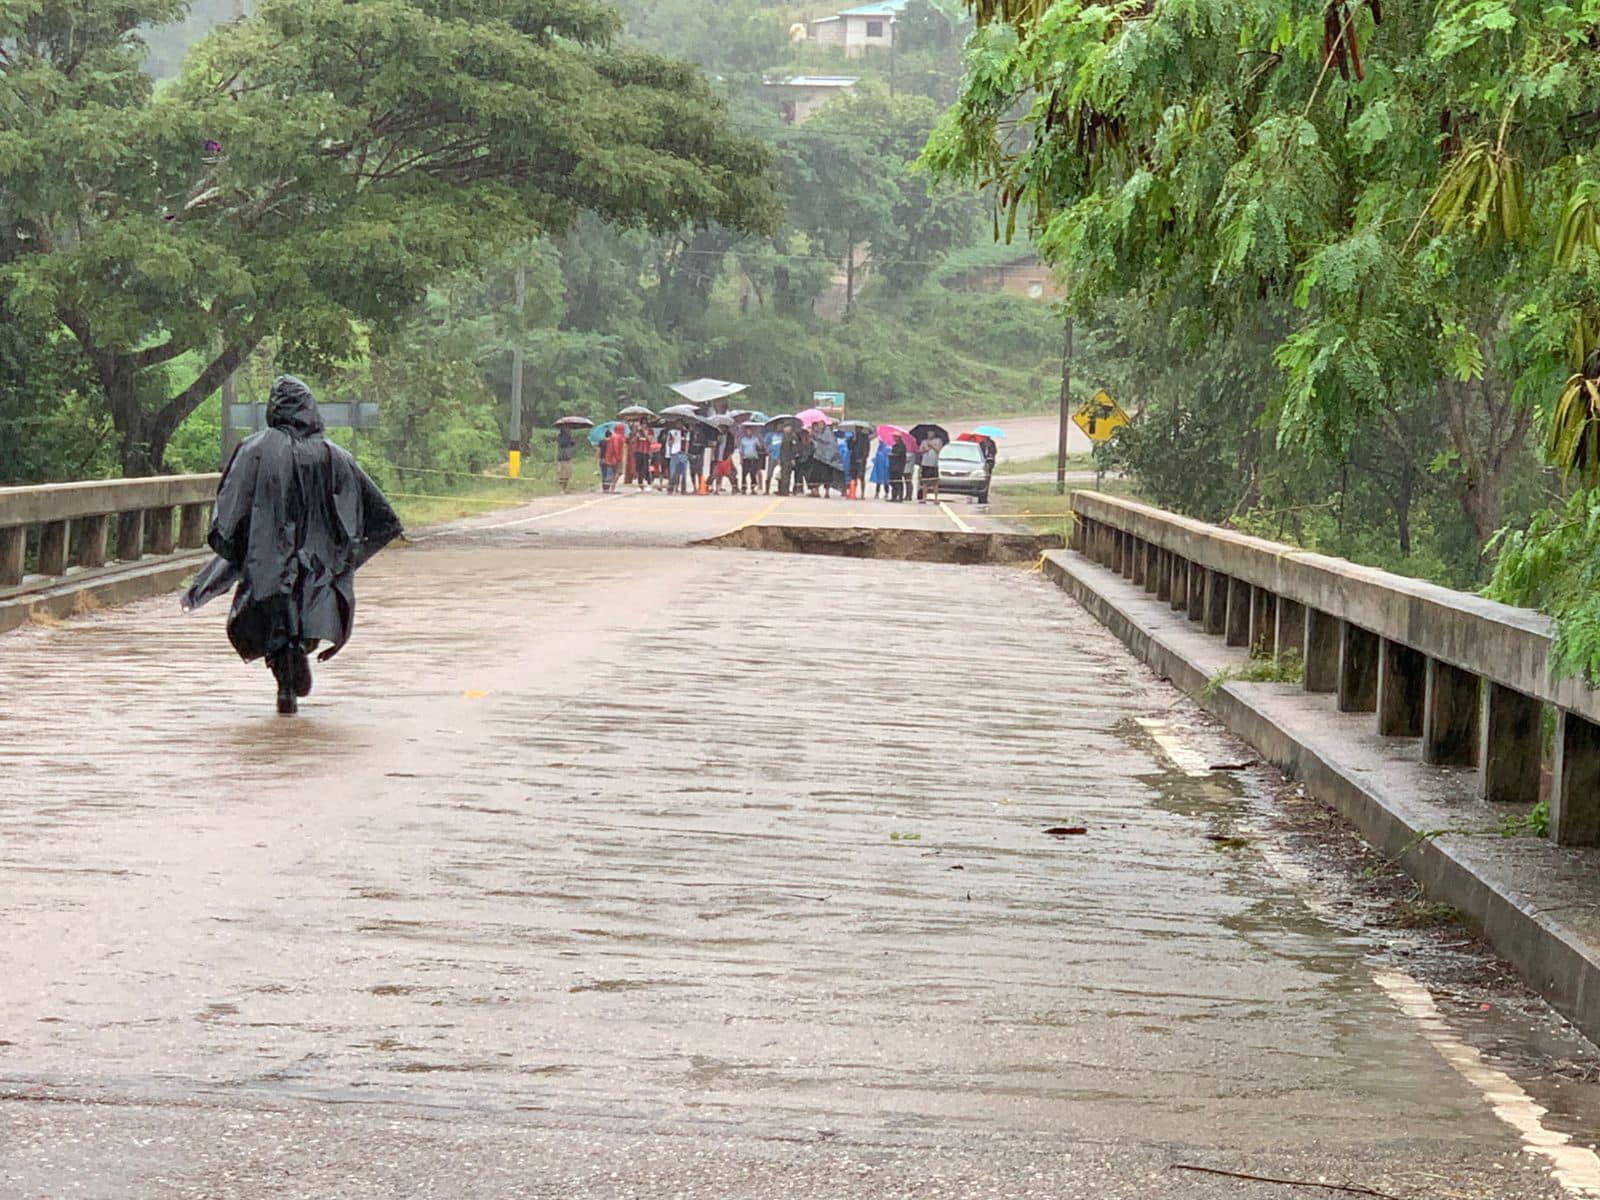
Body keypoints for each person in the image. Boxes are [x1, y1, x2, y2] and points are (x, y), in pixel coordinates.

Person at [182, 375, 401, 716]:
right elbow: (376, 512)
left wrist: (239, 548)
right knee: (308, 611)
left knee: (274, 616)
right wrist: (346, 554)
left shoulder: (254, 449)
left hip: (268, 556)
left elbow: (230, 503)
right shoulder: (334, 455)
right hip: (317, 559)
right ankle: (294, 664)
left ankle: (286, 676)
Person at [665, 422, 690, 494]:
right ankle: (670, 489)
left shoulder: (686, 432)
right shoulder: (672, 432)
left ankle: (683, 489)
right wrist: (672, 439)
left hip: (682, 453)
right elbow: (669, 443)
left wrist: (686, 452)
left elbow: (687, 443)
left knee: (683, 473)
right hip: (674, 453)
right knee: (673, 472)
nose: (680, 425)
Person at [600, 423, 625, 492]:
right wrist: (618, 457)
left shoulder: (612, 436)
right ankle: (612, 487)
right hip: (616, 458)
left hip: (609, 457)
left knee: (613, 472)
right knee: (618, 472)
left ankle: (611, 487)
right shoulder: (619, 436)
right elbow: (616, 447)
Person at [738, 426, 764, 494]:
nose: (749, 432)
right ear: (746, 432)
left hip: (754, 458)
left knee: (753, 474)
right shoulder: (743, 440)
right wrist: (741, 459)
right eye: (748, 431)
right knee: (744, 474)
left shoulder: (755, 439)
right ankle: (744, 488)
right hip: (746, 458)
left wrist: (758, 444)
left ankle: (753, 488)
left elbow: (760, 447)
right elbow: (741, 450)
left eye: (750, 431)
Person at [630, 421, 653, 491]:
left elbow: (650, 440)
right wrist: (636, 436)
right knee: (639, 469)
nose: (643, 425)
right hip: (638, 452)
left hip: (646, 452)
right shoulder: (638, 432)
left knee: (645, 469)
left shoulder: (649, 431)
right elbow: (632, 441)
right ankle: (640, 485)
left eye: (644, 424)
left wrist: (645, 433)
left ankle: (649, 483)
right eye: (642, 424)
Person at [918, 434, 941, 503]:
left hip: (934, 464)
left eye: (931, 432)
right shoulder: (924, 441)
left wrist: (932, 446)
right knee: (925, 482)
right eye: (928, 432)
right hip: (925, 463)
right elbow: (920, 451)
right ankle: (924, 498)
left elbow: (938, 451)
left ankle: (936, 498)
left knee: (935, 482)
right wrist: (925, 450)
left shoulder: (938, 441)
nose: (929, 434)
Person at [849, 430, 870, 498]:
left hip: (862, 460)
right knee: (853, 477)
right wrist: (853, 440)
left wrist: (863, 458)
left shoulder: (865, 438)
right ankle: (853, 493)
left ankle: (862, 494)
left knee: (862, 477)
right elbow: (849, 447)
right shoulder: (852, 437)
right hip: (853, 459)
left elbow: (867, 450)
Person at [888, 437, 908, 502]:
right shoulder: (894, 446)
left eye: (896, 437)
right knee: (892, 482)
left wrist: (892, 454)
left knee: (898, 482)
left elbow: (900, 455)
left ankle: (900, 497)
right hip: (892, 466)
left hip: (899, 467)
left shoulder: (902, 446)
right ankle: (894, 496)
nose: (895, 438)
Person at [556, 427, 575, 493]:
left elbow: (572, 443)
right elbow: (571, 443)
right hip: (565, 457)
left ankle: (563, 488)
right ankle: (564, 488)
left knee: (562, 473)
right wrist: (570, 437)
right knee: (566, 473)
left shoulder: (559, 437)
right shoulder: (567, 437)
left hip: (561, 457)